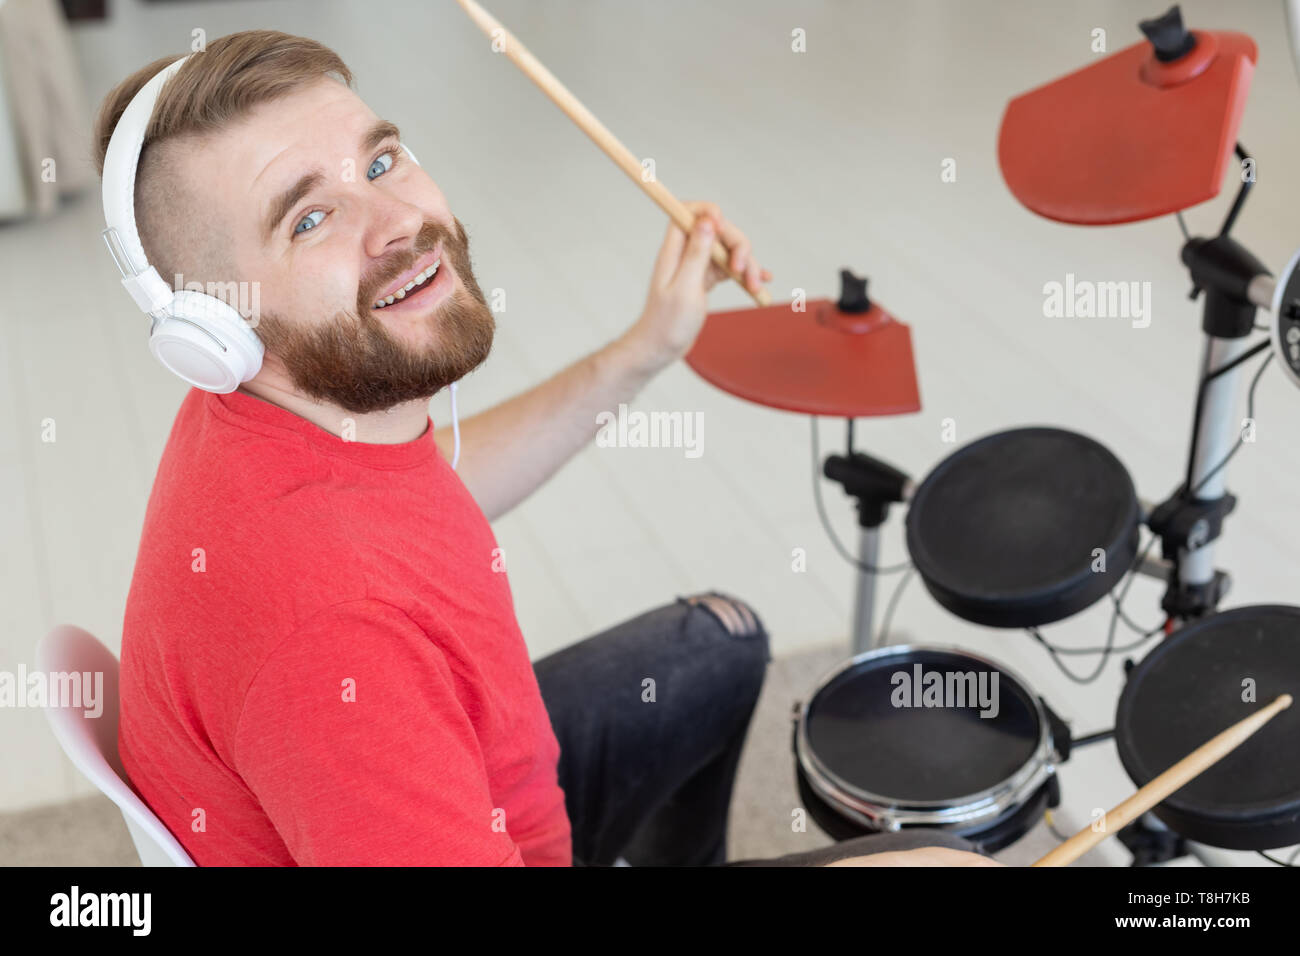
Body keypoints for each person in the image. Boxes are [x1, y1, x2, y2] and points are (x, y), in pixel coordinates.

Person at [99, 30, 994, 867]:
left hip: (486, 787)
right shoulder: (335, 645)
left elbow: (412, 502)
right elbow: (353, 601)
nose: (397, 221)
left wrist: (645, 348)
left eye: (380, 161)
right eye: (309, 220)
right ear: (211, 326)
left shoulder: (262, 413)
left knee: (720, 642)